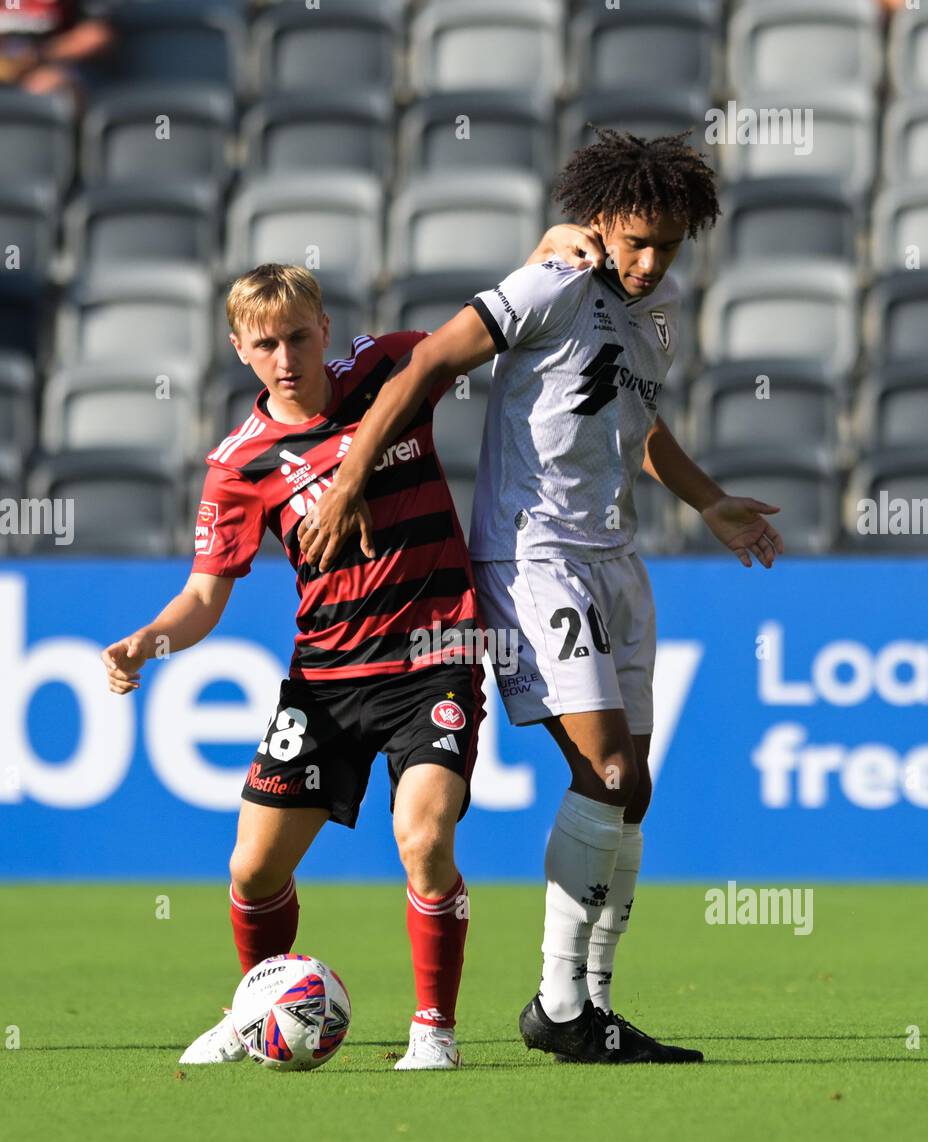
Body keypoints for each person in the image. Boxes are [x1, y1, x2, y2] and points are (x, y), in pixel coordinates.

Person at [297, 130, 784, 1066]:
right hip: (534, 558)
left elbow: (638, 429)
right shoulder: (549, 284)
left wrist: (710, 500)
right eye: (636, 241)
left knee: (631, 791)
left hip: (617, 558)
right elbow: (431, 363)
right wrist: (354, 471)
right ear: (600, 221)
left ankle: (593, 1003)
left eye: (669, 246)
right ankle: (558, 1005)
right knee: (603, 771)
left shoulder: (661, 309)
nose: (650, 263)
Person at [101, 228, 592, 1072]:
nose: (285, 356)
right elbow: (205, 597)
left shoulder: (390, 368)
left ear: (326, 328)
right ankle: (255, 1009)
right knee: (252, 870)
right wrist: (151, 638)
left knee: (425, 839)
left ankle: (433, 1032)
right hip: (325, 681)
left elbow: (489, 324)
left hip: (435, 651)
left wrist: (545, 253)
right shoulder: (238, 464)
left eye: (298, 335)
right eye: (265, 343)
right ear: (240, 351)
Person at [0, 1, 114, 101]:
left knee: (47, 87)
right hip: (5, 67)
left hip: (51, 66)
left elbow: (96, 35)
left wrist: (38, 54)